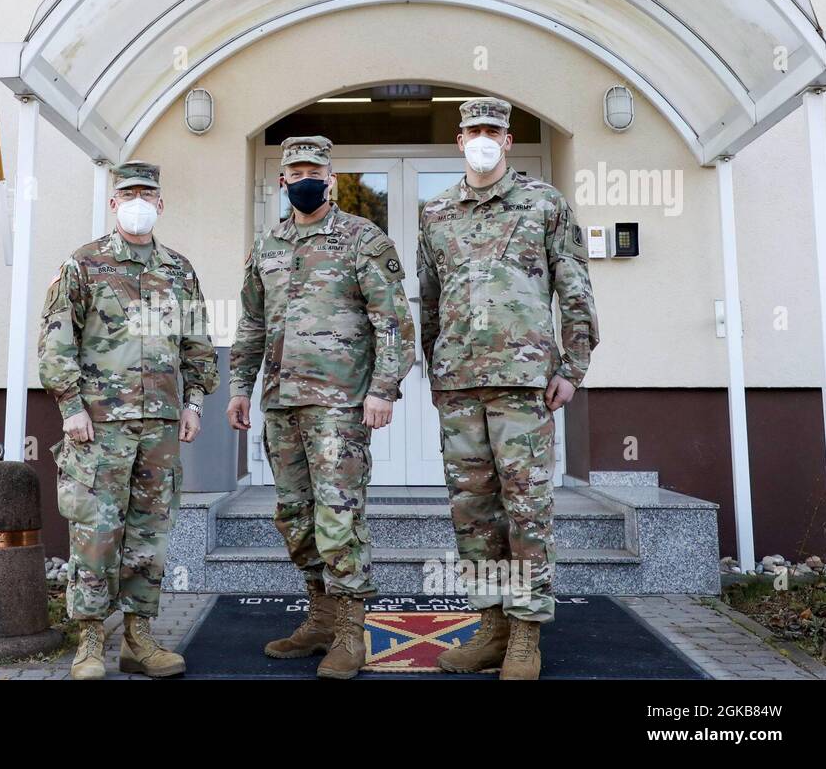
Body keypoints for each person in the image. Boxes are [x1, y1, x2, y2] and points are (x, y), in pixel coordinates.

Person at [416, 98, 599, 680]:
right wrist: (432, 369)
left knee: (527, 509)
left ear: (509, 138)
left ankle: (526, 634)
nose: (482, 138)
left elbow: (575, 288)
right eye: (473, 130)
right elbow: (427, 298)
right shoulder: (436, 211)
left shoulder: (543, 203)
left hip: (525, 384)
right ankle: (491, 626)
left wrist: (572, 367)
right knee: (473, 513)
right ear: (458, 139)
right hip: (459, 383)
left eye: (492, 129)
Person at [228, 135, 415, 679]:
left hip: (340, 406)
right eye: (295, 170)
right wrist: (239, 386)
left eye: (314, 169)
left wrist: (384, 389)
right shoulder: (268, 247)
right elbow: (251, 324)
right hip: (280, 405)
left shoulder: (363, 239)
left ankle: (353, 635)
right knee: (294, 517)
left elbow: (394, 322)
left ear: (330, 179)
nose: (304, 178)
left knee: (339, 518)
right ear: (282, 180)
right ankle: (321, 617)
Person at [38, 161, 218, 680]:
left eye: (148, 193)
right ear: (113, 203)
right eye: (128, 193)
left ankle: (138, 638)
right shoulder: (84, 264)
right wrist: (70, 407)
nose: (138, 201)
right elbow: (56, 340)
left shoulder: (179, 270)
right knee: (97, 530)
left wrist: (194, 403)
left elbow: (197, 344)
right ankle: (90, 640)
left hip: (160, 423)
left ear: (160, 204)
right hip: (99, 424)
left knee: (148, 532)